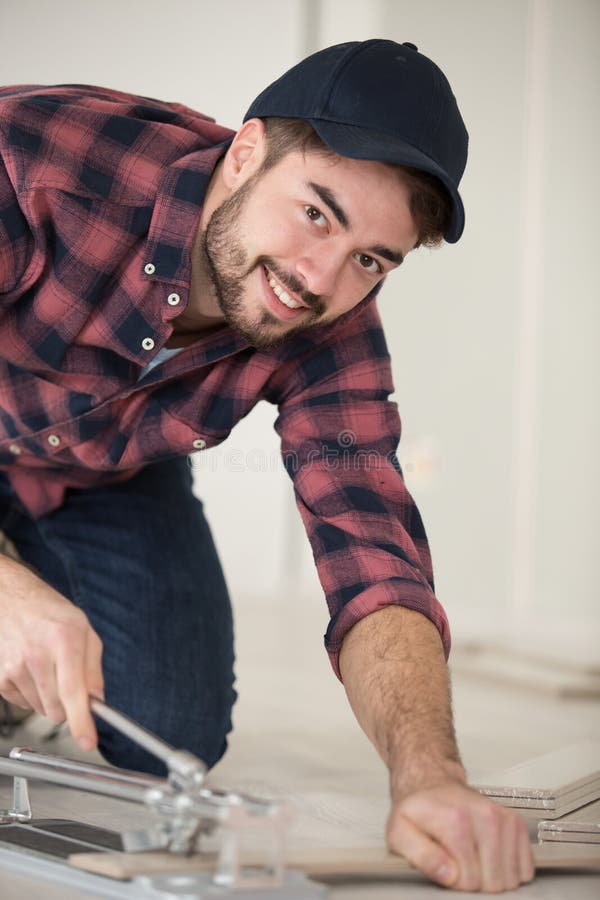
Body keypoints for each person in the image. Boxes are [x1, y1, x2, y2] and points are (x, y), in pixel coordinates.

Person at [0, 39, 533, 891]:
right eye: (317, 213)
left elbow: (373, 559)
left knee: (165, 731)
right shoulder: (33, 161)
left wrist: (429, 777)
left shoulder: (333, 323)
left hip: (101, 470)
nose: (318, 279)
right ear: (244, 153)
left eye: (371, 258)